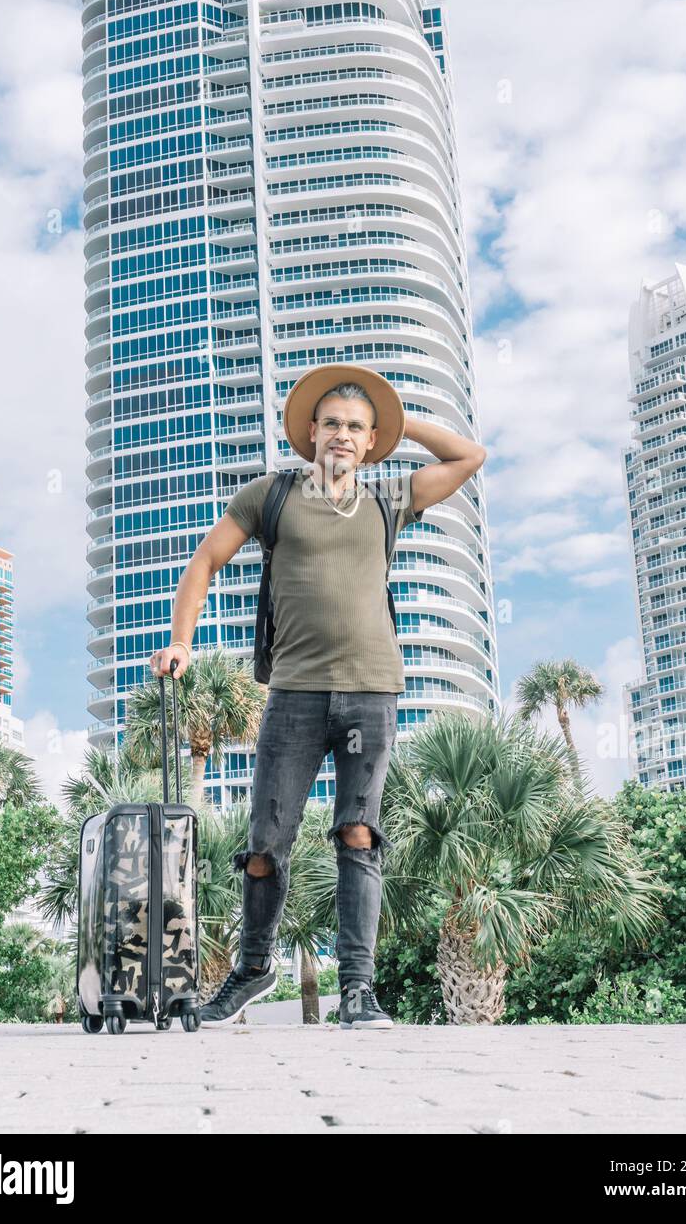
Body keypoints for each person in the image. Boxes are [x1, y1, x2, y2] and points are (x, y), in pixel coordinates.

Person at [150, 361, 486, 1028]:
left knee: (359, 833)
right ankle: (252, 970)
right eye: (331, 423)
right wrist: (182, 640)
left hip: (371, 693)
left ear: (368, 442)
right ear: (309, 433)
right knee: (266, 843)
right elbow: (204, 561)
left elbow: (469, 456)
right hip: (296, 694)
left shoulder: (391, 499)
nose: (341, 434)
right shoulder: (270, 495)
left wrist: (394, 423)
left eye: (355, 428)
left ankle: (358, 989)